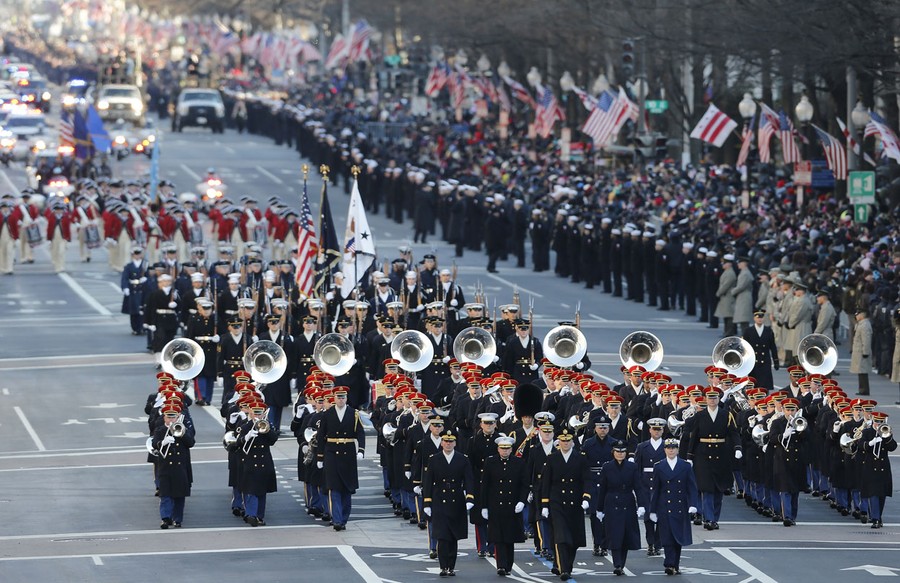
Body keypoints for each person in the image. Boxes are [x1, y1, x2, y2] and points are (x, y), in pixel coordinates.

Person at [686, 386, 741, 530]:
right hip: (703, 455)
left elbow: (733, 434)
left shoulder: (726, 414)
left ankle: (714, 518)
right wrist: (690, 456)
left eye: (715, 397)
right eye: (709, 397)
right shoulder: (699, 416)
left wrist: (737, 448)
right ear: (705, 399)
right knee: (707, 488)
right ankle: (709, 519)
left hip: (721, 455)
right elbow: (694, 437)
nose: (712, 400)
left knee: (719, 489)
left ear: (718, 399)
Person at [423, 429, 475, 577]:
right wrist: (427, 503)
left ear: (455, 443)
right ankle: (443, 566)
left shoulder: (462, 459)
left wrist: (470, 498)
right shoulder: (434, 459)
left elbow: (469, 479)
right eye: (445, 441)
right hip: (439, 499)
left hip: (457, 500)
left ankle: (451, 566)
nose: (448, 444)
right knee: (442, 536)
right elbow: (428, 482)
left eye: (451, 441)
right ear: (442, 443)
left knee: (453, 536)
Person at [540, 428, 591, 581]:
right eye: (563, 440)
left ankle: (566, 565)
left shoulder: (580, 458)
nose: (565, 443)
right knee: (562, 537)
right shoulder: (552, 458)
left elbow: (587, 480)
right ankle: (564, 569)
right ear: (559, 441)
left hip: (575, 502)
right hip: (557, 502)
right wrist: (544, 504)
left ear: (572, 442)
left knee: (574, 539)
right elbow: (546, 482)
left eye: (568, 440)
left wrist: (586, 498)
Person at [316, 385, 366, 530]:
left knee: (347, 488)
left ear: (346, 398)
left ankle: (343, 518)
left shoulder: (353, 413)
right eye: (338, 397)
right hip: (331, 452)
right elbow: (321, 436)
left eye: (343, 397)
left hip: (348, 453)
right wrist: (320, 457)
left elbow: (360, 433)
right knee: (334, 488)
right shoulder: (327, 414)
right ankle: (337, 519)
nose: (341, 399)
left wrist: (361, 450)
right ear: (334, 398)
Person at [479, 435, 529, 577]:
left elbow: (524, 484)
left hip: (512, 505)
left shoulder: (519, 463)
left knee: (509, 537)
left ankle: (508, 565)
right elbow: (485, 485)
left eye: (507, 449)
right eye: (502, 448)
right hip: (496, 504)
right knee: (498, 537)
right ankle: (500, 565)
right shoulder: (490, 462)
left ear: (511, 449)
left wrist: (522, 501)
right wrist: (484, 506)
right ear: (498, 449)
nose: (505, 451)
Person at [596, 442, 648, 576]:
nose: (620, 454)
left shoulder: (632, 467)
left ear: (626, 453)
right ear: (613, 452)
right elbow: (602, 488)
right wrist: (599, 508)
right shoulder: (607, 467)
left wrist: (641, 504)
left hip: (627, 502)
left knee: (625, 535)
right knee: (614, 535)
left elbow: (638, 487)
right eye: (617, 451)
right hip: (611, 502)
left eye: (623, 451)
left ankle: (621, 563)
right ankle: (617, 564)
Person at [649, 438, 699, 575]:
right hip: (664, 506)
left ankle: (675, 564)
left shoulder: (685, 466)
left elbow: (692, 487)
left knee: (678, 537)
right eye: (668, 447)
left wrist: (693, 504)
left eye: (674, 447)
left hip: (681, 505)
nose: (671, 450)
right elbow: (656, 490)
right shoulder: (659, 466)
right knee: (667, 537)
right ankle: (669, 564)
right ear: (664, 449)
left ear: (677, 449)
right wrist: (652, 510)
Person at [152, 404, 195, 529]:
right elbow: (154, 443)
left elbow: (191, 443)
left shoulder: (183, 429)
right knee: (165, 495)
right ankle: (165, 518)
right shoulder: (160, 430)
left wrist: (182, 434)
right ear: (164, 417)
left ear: (177, 417)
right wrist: (162, 442)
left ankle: (177, 519)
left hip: (180, 468)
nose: (171, 420)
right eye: (168, 417)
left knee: (179, 496)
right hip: (165, 468)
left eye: (173, 417)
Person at [766, 397, 805, 526]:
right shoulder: (777, 423)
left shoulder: (801, 422)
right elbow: (772, 438)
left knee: (795, 491)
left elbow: (807, 438)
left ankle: (793, 516)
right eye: (787, 409)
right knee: (785, 489)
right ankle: (787, 516)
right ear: (783, 410)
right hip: (782, 460)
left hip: (797, 460)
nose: (790, 412)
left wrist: (799, 431)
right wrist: (784, 435)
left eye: (792, 410)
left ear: (796, 410)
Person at [744, 310, 780, 391]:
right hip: (753, 361)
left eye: (761, 317)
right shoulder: (748, 331)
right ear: (754, 318)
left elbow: (772, 347)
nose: (760, 319)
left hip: (765, 361)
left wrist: (776, 360)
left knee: (764, 386)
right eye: (757, 317)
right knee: (753, 385)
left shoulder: (768, 331)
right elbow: (745, 347)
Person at [851, 309, 873, 395]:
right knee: (861, 372)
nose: (856, 316)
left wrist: (865, 352)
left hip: (862, 351)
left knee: (863, 371)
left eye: (857, 314)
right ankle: (862, 389)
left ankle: (864, 390)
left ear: (862, 315)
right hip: (859, 351)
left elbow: (866, 340)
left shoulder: (864, 325)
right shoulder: (861, 324)